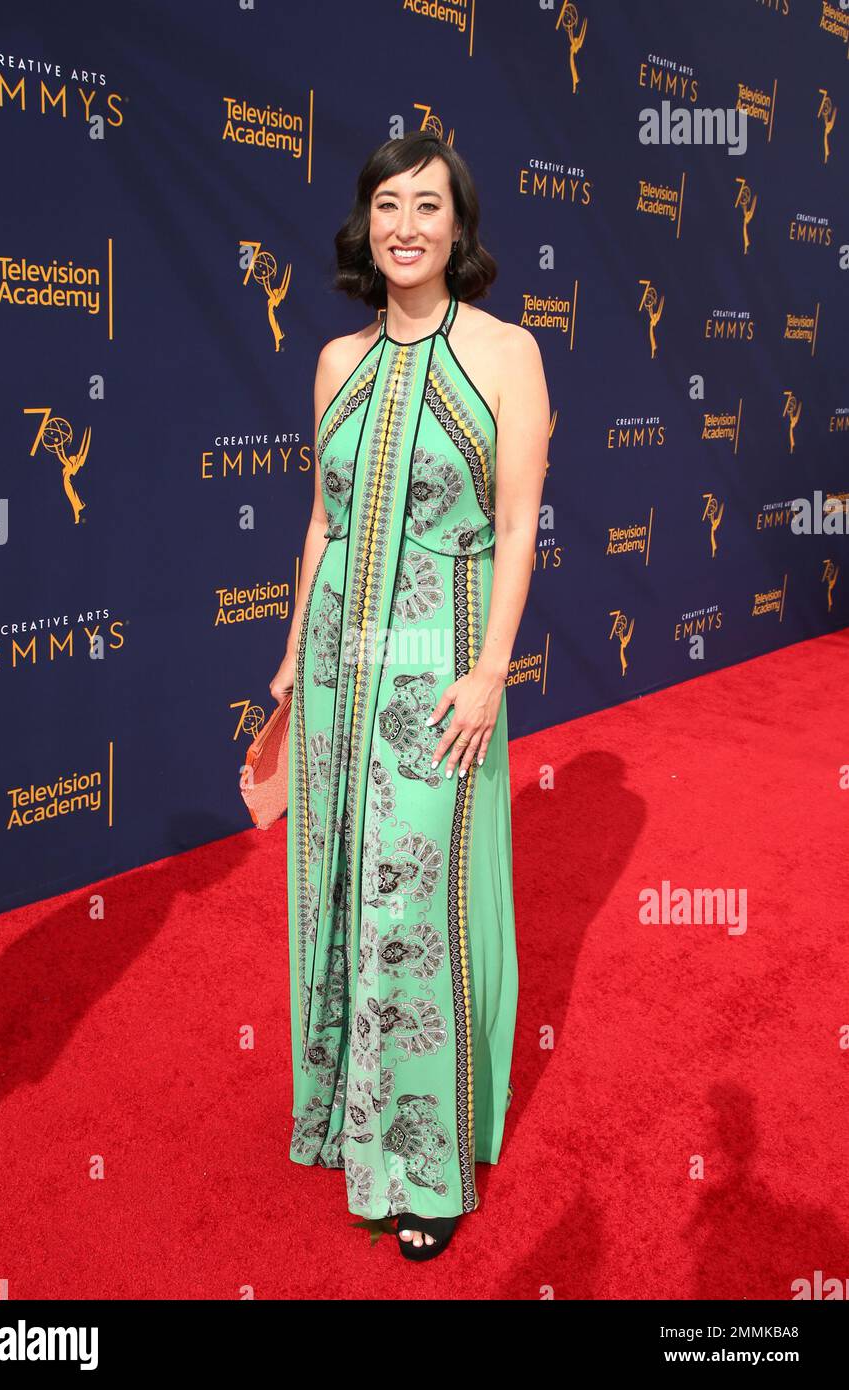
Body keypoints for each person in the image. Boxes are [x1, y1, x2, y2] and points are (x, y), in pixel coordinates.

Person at [269, 130, 551, 1261]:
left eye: (427, 207)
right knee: (339, 884)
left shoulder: (506, 353)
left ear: (458, 227)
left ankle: (424, 1166)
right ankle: (348, 1114)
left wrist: (488, 667)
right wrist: (294, 656)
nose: (404, 227)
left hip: (440, 658)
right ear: (363, 225)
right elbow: (324, 521)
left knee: (412, 901)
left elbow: (522, 522)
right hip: (340, 664)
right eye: (387, 205)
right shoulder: (336, 359)